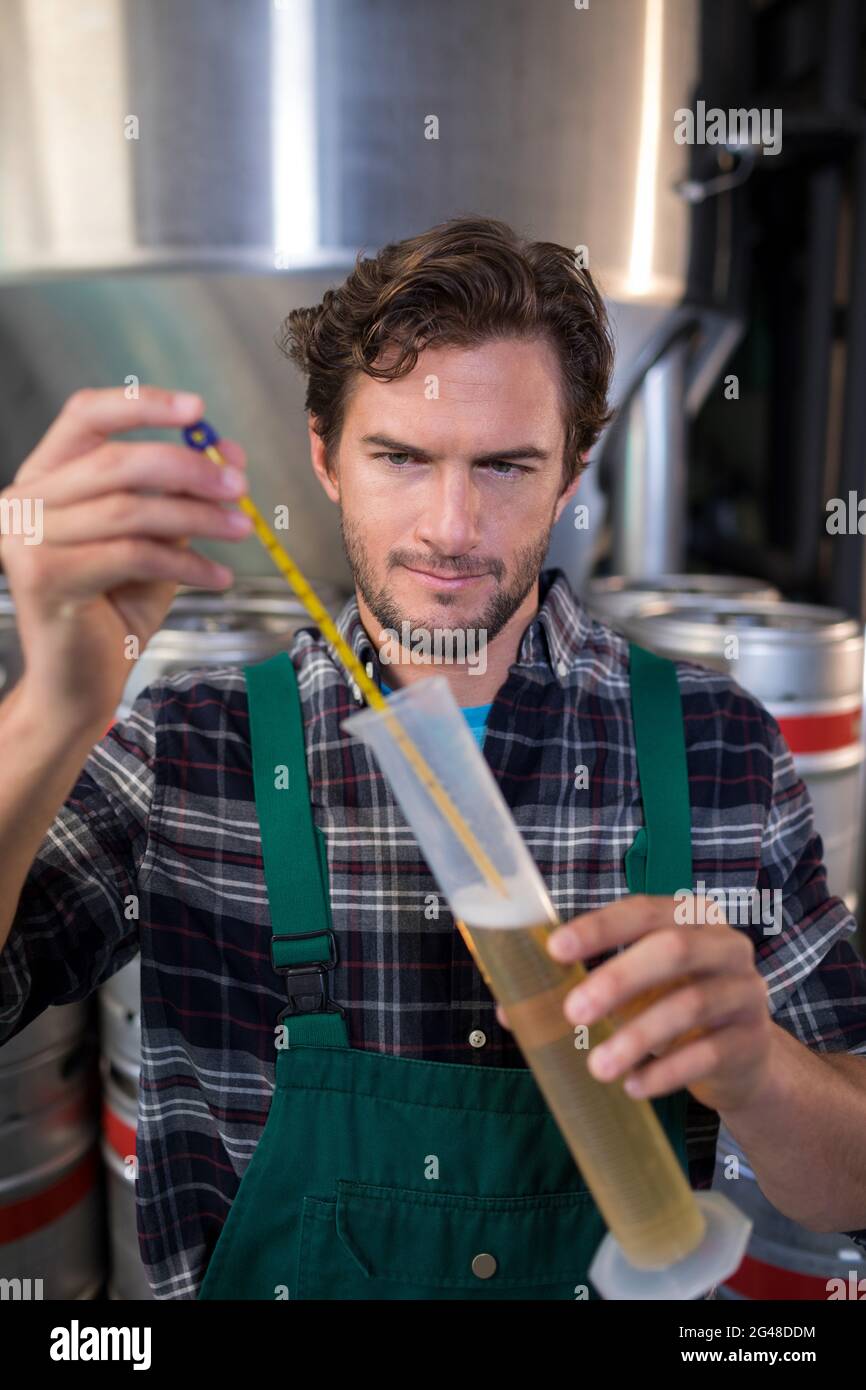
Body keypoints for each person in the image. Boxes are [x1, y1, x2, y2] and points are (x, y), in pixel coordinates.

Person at [1, 216, 864, 1301]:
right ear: (322, 455)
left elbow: (847, 1185)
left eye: (504, 466)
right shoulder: (193, 744)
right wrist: (48, 710)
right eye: (401, 457)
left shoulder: (713, 743)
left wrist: (758, 1069)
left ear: (570, 473)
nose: (451, 527)